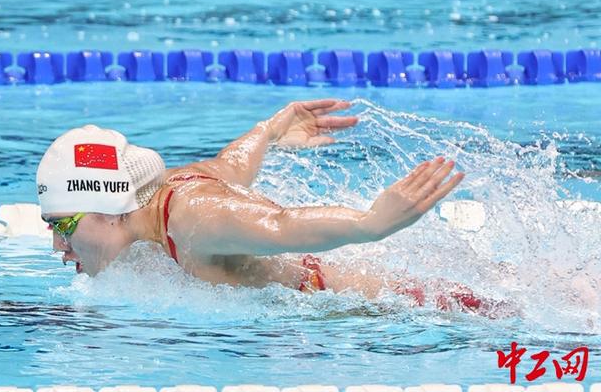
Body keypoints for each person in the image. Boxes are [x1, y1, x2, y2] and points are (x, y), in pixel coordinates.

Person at [38, 98, 501, 315]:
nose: (59, 244)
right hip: (343, 297)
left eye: (64, 224)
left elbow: (280, 225)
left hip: (378, 305)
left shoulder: (190, 218)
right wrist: (271, 129)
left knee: (504, 312)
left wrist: (371, 223)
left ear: (108, 208)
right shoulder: (169, 190)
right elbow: (229, 165)